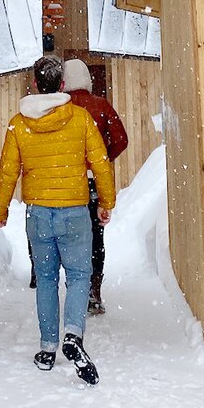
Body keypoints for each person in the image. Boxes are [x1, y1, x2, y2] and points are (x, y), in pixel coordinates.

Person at [0, 53, 115, 384]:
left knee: (46, 279)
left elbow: (7, 171)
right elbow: (101, 162)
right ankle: (73, 334)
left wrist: (0, 210)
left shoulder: (19, 124)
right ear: (62, 85)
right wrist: (105, 201)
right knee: (78, 277)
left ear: (35, 84)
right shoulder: (79, 119)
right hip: (75, 211)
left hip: (38, 214)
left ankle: (47, 348)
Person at [61, 58, 128, 315]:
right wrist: (103, 157)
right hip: (92, 181)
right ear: (87, 79)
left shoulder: (60, 107)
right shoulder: (100, 105)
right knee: (95, 238)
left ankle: (75, 289)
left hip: (66, 182)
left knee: (69, 237)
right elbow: (121, 139)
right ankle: (94, 291)